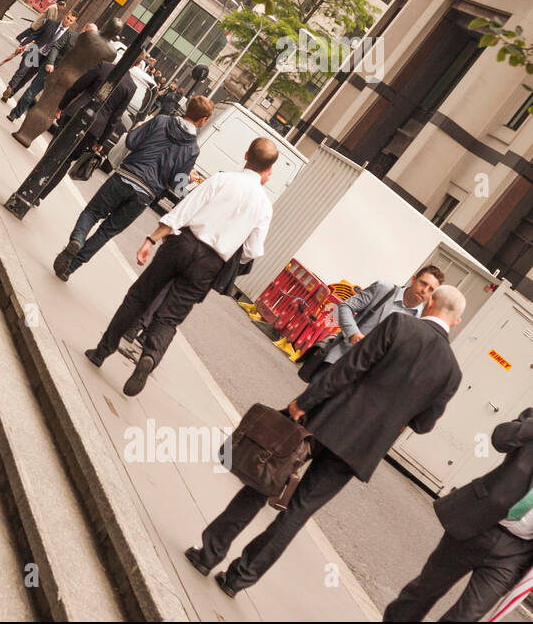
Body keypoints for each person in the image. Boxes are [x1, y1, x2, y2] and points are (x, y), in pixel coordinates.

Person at [187, 286, 466, 598]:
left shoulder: (400, 325)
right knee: (298, 511)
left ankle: (207, 554)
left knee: (264, 481)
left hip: (327, 418)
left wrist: (304, 401)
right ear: (456, 321)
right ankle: (238, 579)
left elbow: (351, 366)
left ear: (430, 302)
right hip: (360, 449)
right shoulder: (452, 373)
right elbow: (424, 423)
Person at [84, 137, 277, 395]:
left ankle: (101, 352)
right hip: (210, 263)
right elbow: (252, 251)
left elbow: (183, 211)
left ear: (245, 155)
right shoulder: (264, 206)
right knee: (169, 317)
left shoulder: (221, 180)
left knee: (138, 297)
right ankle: (150, 356)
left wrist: (152, 239)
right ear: (269, 170)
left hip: (183, 243)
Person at [385, 407, 533, 621]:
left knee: (466, 617)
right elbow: (500, 438)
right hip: (480, 523)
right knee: (424, 591)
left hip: (516, 553)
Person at [53, 96, 213, 281]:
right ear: (203, 120)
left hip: (125, 176)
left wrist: (138, 128)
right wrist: (188, 178)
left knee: (92, 212)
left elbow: (132, 142)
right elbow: (176, 185)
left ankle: (78, 240)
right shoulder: (192, 149)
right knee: (107, 232)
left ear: (187, 109)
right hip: (146, 193)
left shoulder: (161, 120)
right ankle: (70, 268)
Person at [303, 267, 444, 384]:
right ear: (413, 279)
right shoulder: (383, 289)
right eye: (423, 283)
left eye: (431, 289)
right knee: (303, 409)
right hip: (339, 361)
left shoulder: (421, 321)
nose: (424, 290)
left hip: (364, 380)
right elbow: (345, 307)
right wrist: (353, 334)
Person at [36, 59, 133, 202]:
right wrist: (101, 141)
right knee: (67, 160)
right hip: (94, 128)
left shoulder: (104, 66)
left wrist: (61, 105)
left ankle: (35, 186)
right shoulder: (130, 86)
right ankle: (41, 195)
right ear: (137, 65)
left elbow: (77, 86)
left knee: (54, 149)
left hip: (76, 113)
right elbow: (115, 117)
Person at [7, 15, 82, 121]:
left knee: (27, 77)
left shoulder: (68, 34)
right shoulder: (51, 23)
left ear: (72, 23)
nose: (67, 21)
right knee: (22, 71)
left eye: (71, 20)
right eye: (67, 18)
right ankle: (10, 89)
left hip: (47, 59)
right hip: (35, 51)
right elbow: (35, 34)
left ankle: (12, 92)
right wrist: (23, 44)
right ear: (64, 16)